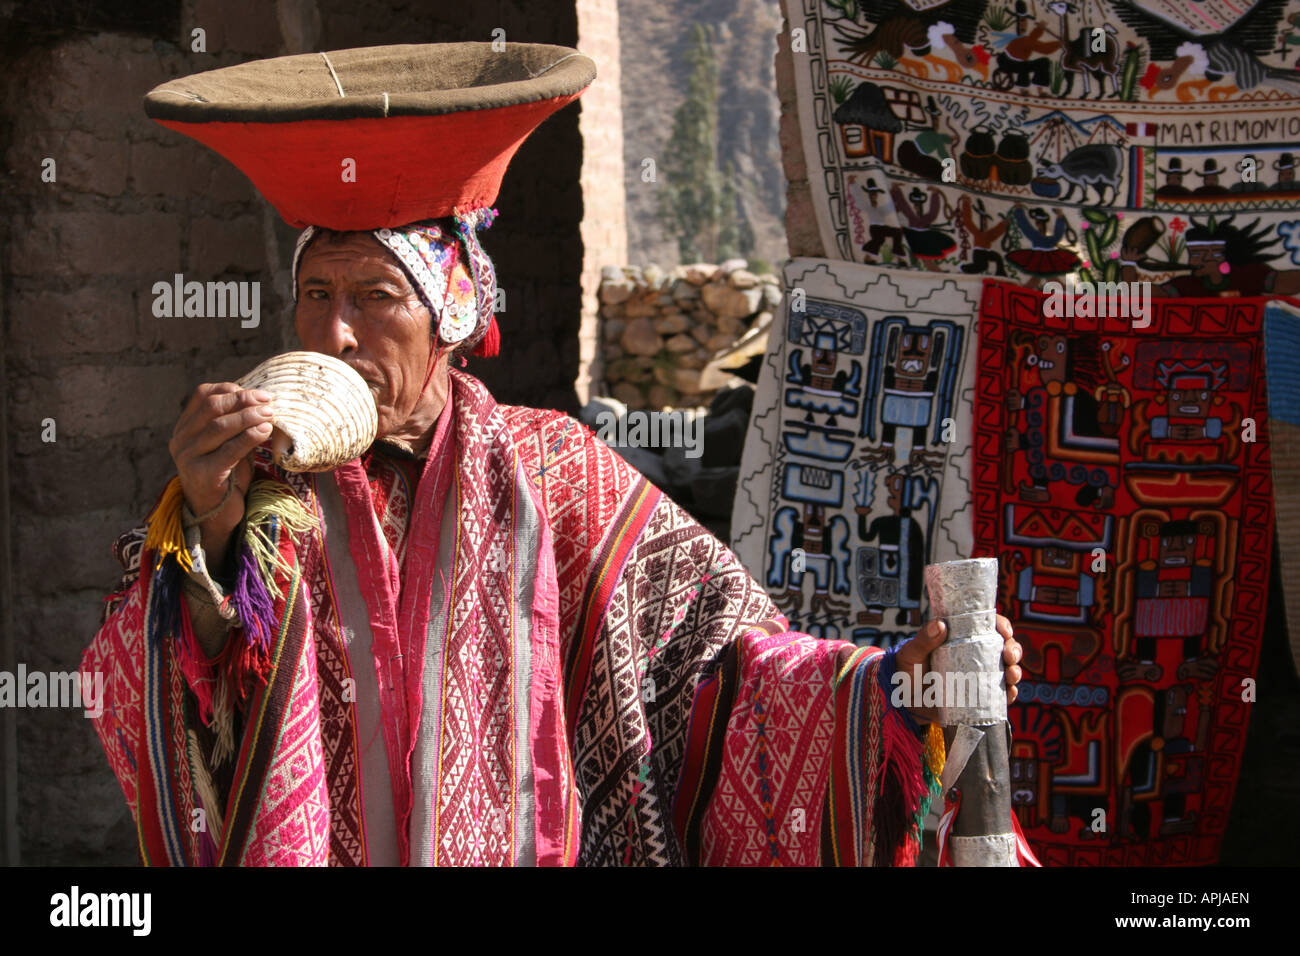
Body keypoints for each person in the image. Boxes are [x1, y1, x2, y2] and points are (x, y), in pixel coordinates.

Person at [82, 43, 1025, 867]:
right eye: (315, 293)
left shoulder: (553, 471)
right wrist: (207, 527)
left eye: (374, 296)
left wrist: (893, 691)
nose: (333, 332)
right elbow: (158, 692)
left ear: (452, 315)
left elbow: (722, 668)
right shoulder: (258, 487)